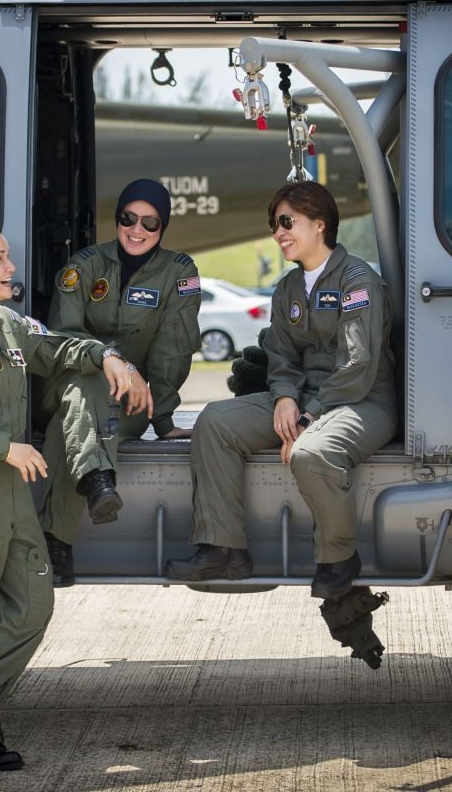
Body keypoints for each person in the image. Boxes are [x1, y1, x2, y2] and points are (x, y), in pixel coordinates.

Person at [0, 224, 146, 774]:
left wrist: (106, 355)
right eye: (0, 258)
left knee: (33, 604)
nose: (11, 266)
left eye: (8, 256)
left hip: (13, 490)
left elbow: (56, 348)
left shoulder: (8, 325)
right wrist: (1, 447)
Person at [164, 181, 397, 599]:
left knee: (313, 452)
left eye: (287, 221)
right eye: (274, 224)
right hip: (304, 395)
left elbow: (357, 365)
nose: (278, 233)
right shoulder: (288, 288)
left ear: (320, 224)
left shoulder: (358, 280)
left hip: (361, 399)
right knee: (215, 421)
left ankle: (338, 558)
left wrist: (310, 416)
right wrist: (286, 396)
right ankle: (224, 549)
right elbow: (281, 355)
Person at [38, 178, 202, 587]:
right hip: (66, 383)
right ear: (118, 219)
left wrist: (161, 419)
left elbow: (173, 351)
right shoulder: (85, 265)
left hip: (128, 403)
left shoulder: (179, 273)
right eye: (129, 218)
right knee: (83, 387)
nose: (138, 230)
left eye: (151, 223)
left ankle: (56, 542)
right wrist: (116, 361)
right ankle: (97, 478)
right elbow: (63, 337)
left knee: (74, 420)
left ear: (162, 227)